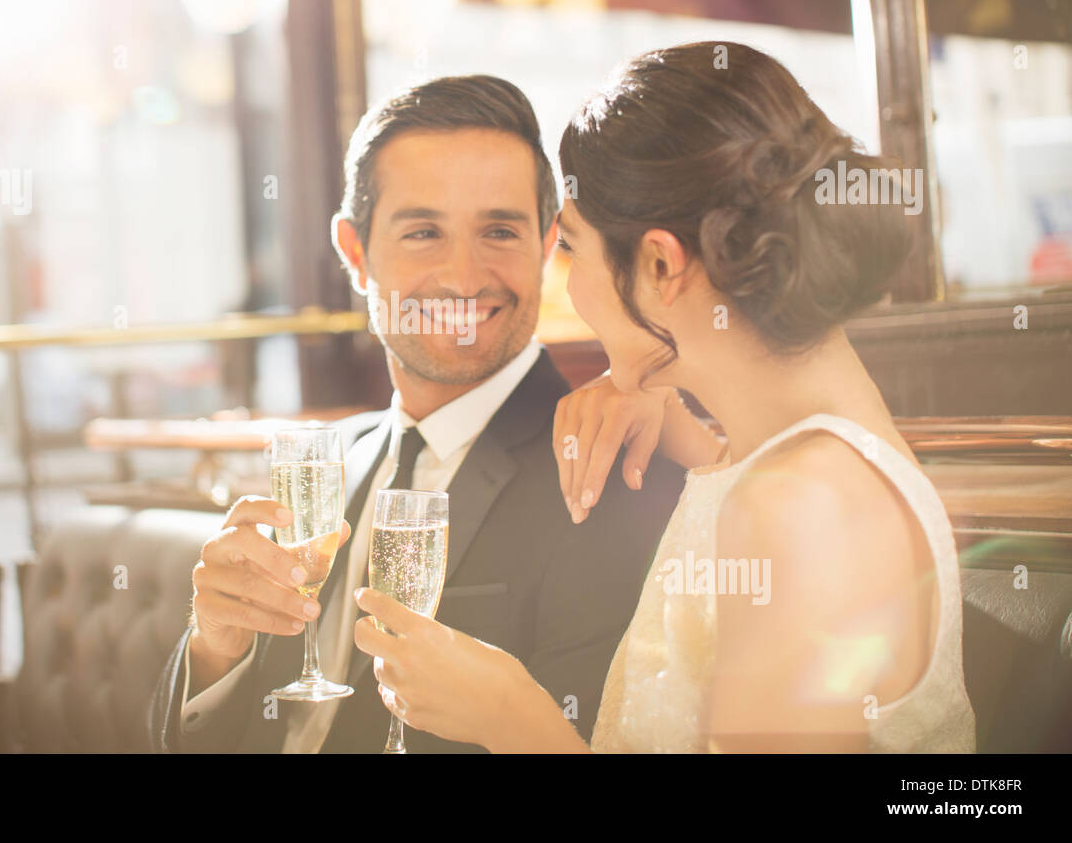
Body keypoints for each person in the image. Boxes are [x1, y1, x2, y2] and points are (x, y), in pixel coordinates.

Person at [353, 42, 978, 753]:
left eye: (573, 251)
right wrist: (668, 401)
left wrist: (517, 723)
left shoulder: (805, 512)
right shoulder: (785, 463)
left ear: (658, 264)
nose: (569, 288)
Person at [147, 73, 697, 753]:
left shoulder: (615, 468)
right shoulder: (327, 463)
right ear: (355, 252)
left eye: (498, 230)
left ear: (548, 244)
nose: (464, 277)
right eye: (423, 232)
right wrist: (216, 652)